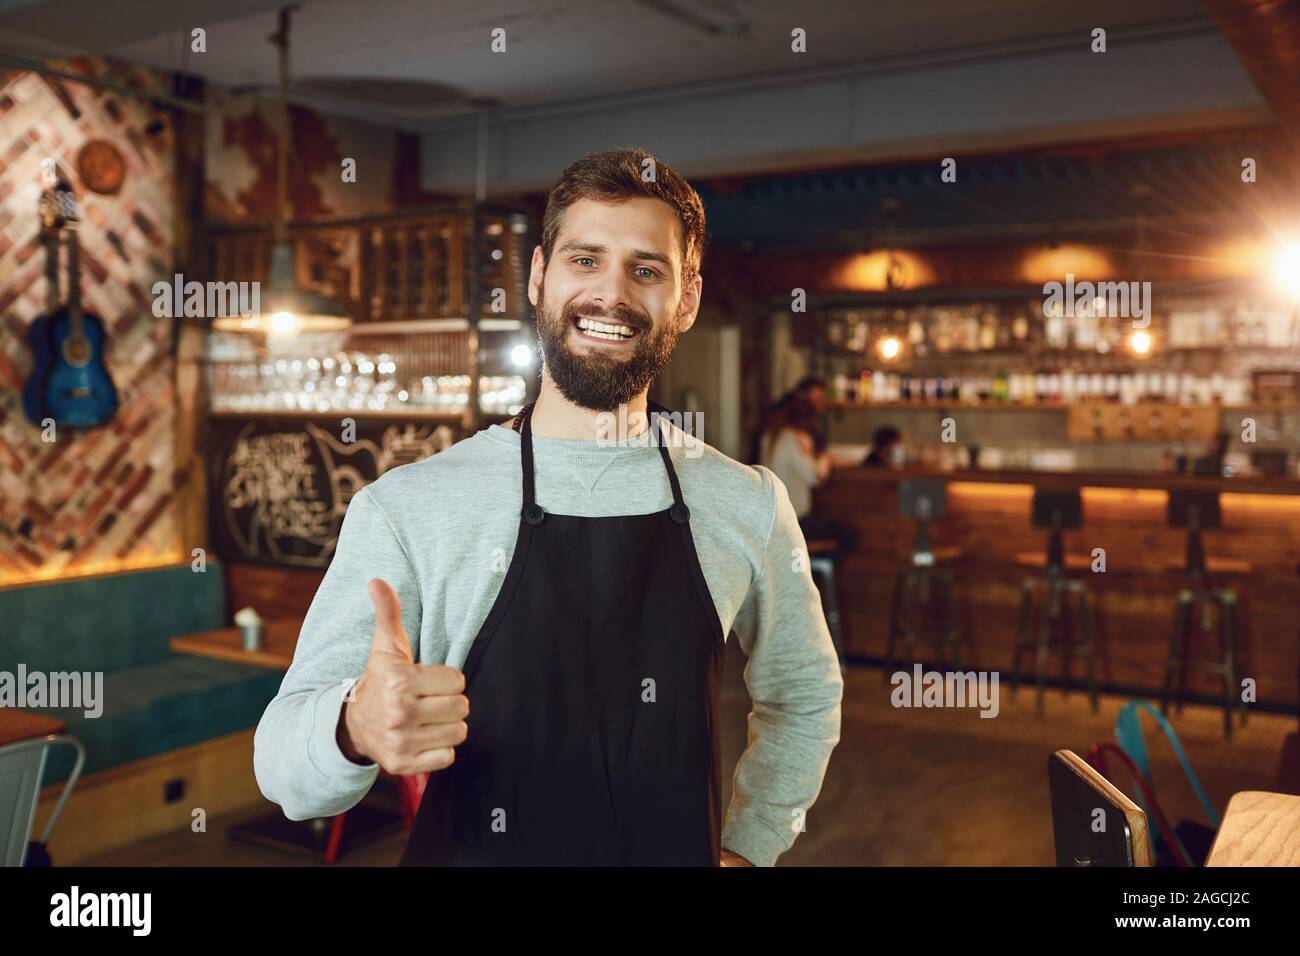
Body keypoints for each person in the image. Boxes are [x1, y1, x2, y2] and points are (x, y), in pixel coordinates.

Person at [253, 148, 843, 868]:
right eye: (585, 259)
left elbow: (805, 694)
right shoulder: (411, 506)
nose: (611, 295)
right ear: (538, 276)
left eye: (646, 269)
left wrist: (751, 846)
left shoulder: (745, 501)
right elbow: (282, 768)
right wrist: (353, 728)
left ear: (685, 299)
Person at [760, 396, 857, 561]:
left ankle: (805, 574)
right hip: (794, 521)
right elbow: (815, 477)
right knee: (849, 535)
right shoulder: (793, 440)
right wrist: (825, 458)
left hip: (772, 521)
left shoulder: (768, 438)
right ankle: (812, 578)